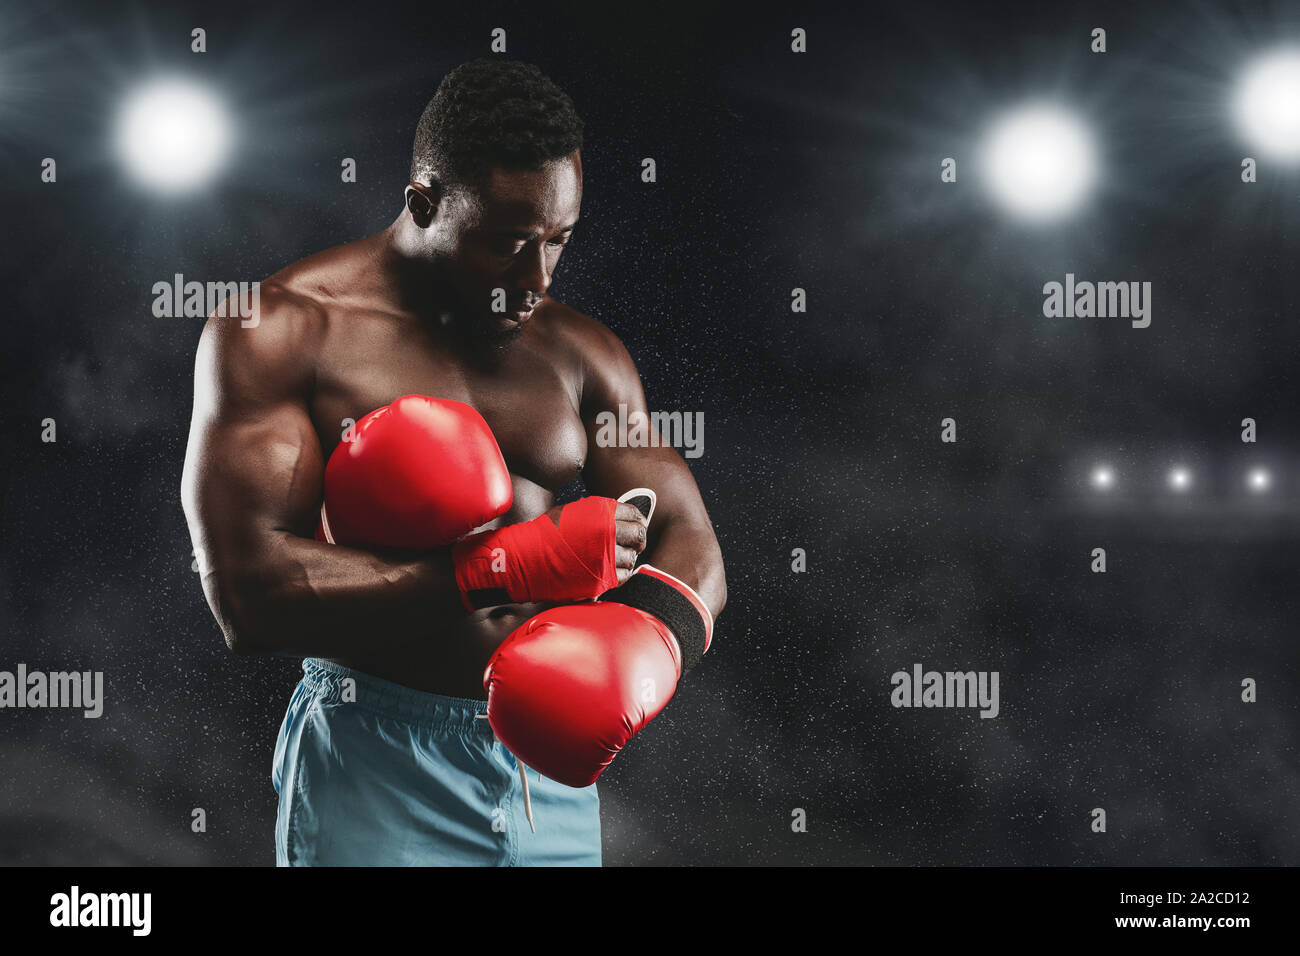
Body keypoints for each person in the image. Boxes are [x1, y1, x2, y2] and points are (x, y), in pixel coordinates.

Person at [180, 58, 727, 866]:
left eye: (558, 242)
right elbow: (248, 598)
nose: (536, 277)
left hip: (546, 775)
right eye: (507, 246)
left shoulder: (582, 355)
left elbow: (690, 536)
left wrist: (654, 636)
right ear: (425, 204)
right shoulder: (282, 330)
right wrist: (500, 569)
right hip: (375, 755)